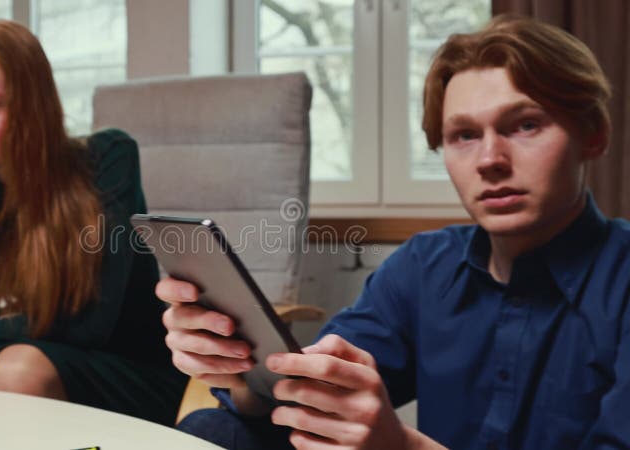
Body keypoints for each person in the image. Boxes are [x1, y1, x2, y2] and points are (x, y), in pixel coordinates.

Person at [156, 15, 630, 449]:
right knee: (215, 428)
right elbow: (312, 398)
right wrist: (240, 366)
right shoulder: (425, 265)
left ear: (594, 134)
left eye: (526, 125)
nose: (489, 160)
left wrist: (401, 447)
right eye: (464, 135)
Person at [0, 20, 186, 426]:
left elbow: (90, 328)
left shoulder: (108, 159)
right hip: (37, 376)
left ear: (30, 107)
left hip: (137, 379)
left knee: (18, 368)